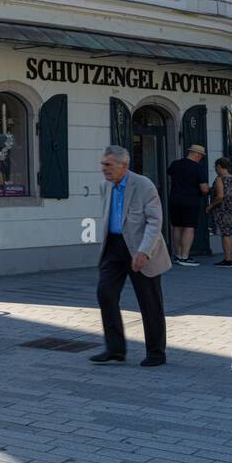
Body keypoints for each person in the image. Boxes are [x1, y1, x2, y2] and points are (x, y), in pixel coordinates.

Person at [92, 146, 170, 368]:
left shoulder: (144, 185)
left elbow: (155, 221)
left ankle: (156, 352)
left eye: (108, 165)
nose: (103, 169)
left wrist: (144, 251)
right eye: (102, 164)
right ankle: (115, 349)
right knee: (105, 293)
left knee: (150, 302)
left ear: (124, 166)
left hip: (141, 248)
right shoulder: (105, 185)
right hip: (113, 247)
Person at [166, 144, 210, 265]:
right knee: (189, 227)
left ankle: (177, 254)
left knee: (176, 226)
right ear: (197, 155)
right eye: (201, 156)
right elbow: (204, 189)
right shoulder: (198, 168)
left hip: (174, 199)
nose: (201, 158)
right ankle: (184, 257)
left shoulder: (175, 164)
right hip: (190, 200)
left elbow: (169, 174)